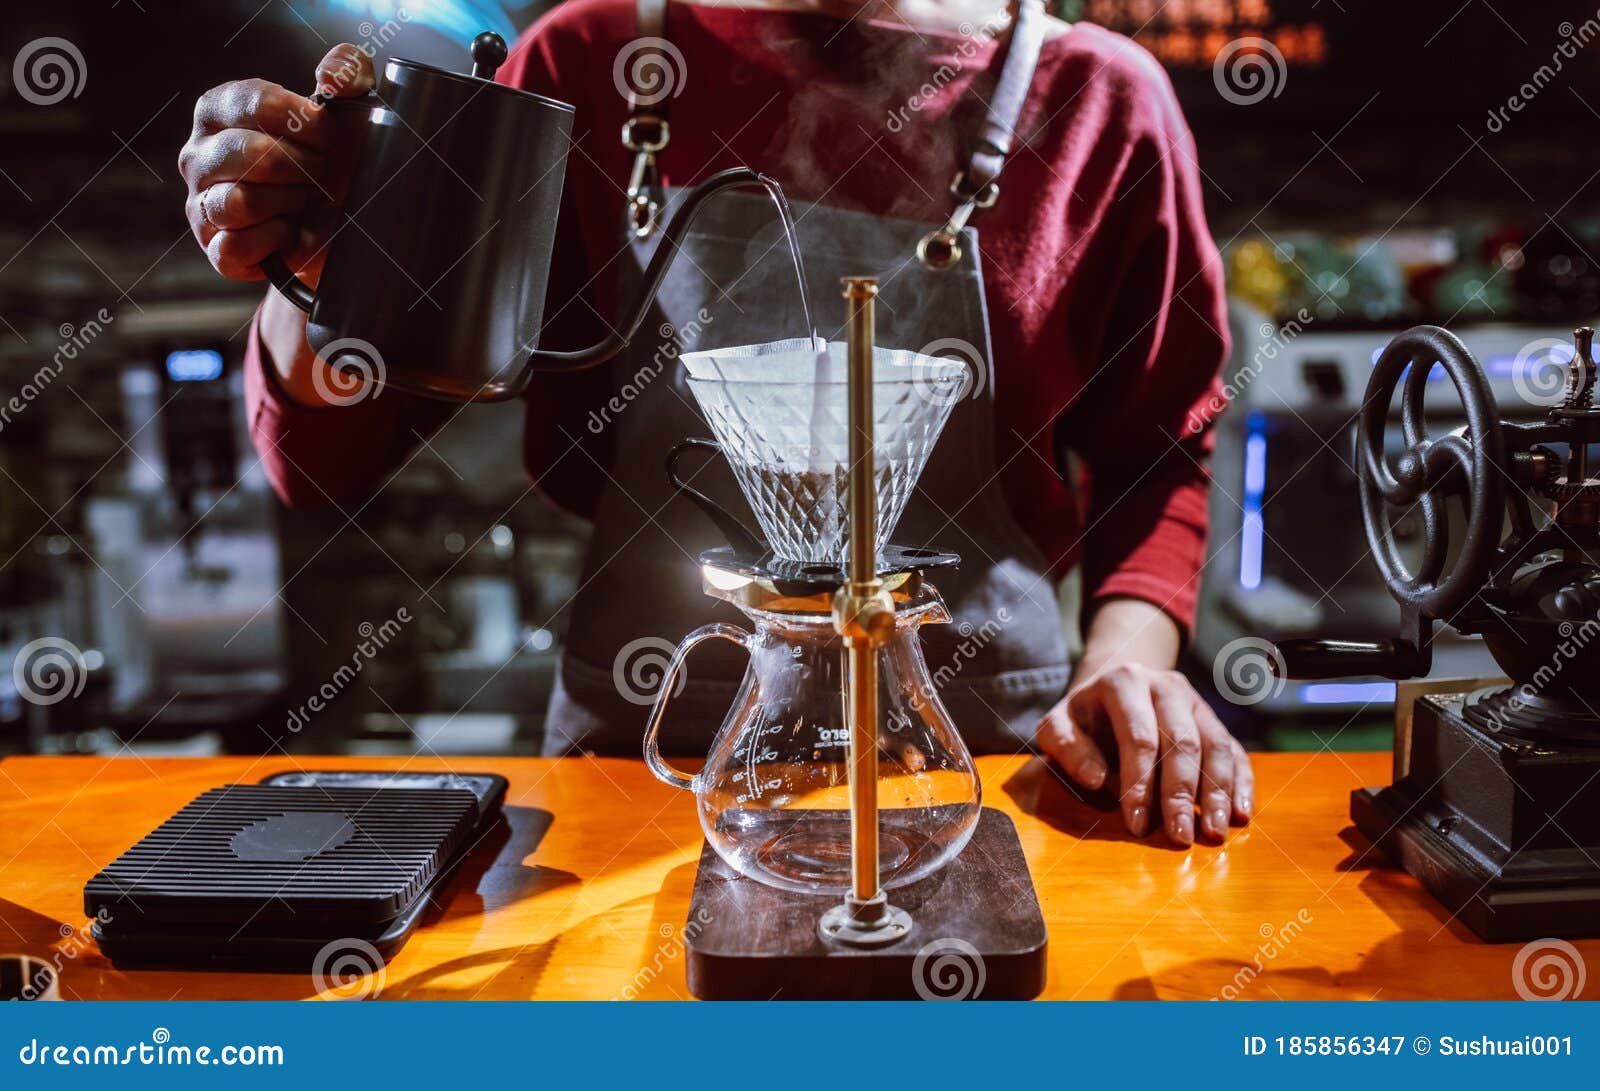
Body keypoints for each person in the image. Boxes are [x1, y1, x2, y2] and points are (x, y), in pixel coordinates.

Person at [178, 0, 1253, 846]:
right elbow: (319, 457)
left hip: (988, 773)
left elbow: (1157, 450)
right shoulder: (585, 62)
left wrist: (1127, 660)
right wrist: (326, 270)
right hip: (636, 772)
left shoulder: (1099, 100)